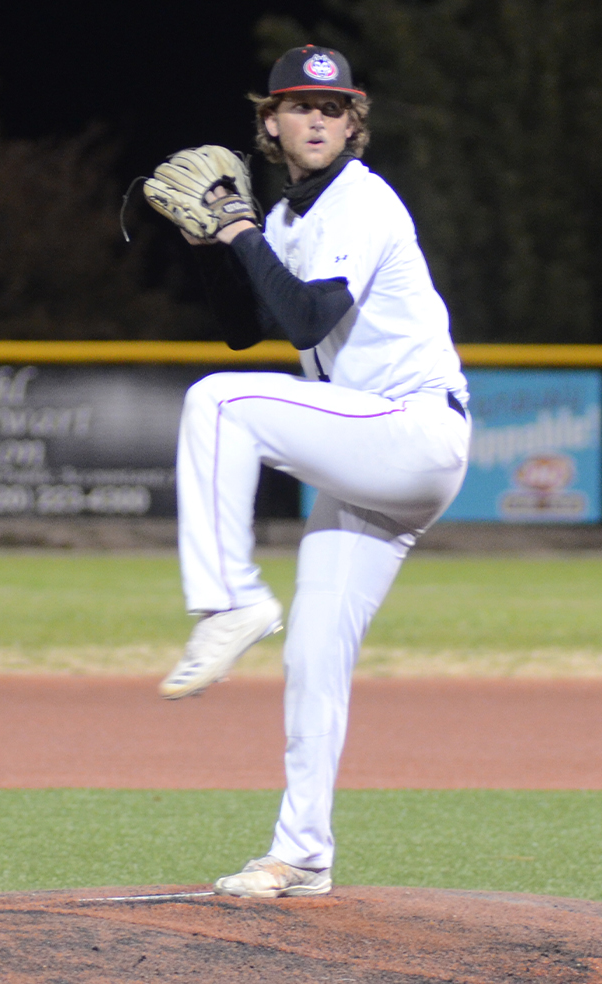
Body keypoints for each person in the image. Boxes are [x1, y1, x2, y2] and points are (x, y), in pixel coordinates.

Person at [157, 45, 469, 898]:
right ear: (271, 123)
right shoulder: (291, 219)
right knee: (315, 653)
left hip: (411, 431)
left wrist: (237, 231)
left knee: (219, 404)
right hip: (365, 454)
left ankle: (229, 597)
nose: (320, 119)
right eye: (301, 106)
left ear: (353, 122)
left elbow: (303, 317)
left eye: (334, 108)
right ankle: (303, 854)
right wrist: (209, 243)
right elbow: (242, 327)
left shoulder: (364, 202)